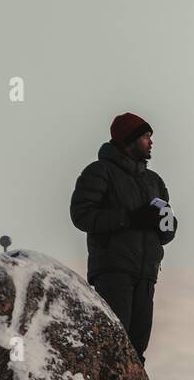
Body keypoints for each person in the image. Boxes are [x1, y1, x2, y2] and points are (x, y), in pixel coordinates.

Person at [69, 112, 177, 364]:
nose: (151, 142)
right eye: (146, 137)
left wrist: (164, 223)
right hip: (113, 270)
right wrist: (129, 218)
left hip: (146, 274)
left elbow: (170, 229)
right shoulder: (99, 172)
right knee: (113, 343)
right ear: (129, 140)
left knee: (137, 347)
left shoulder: (154, 181)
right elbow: (81, 215)